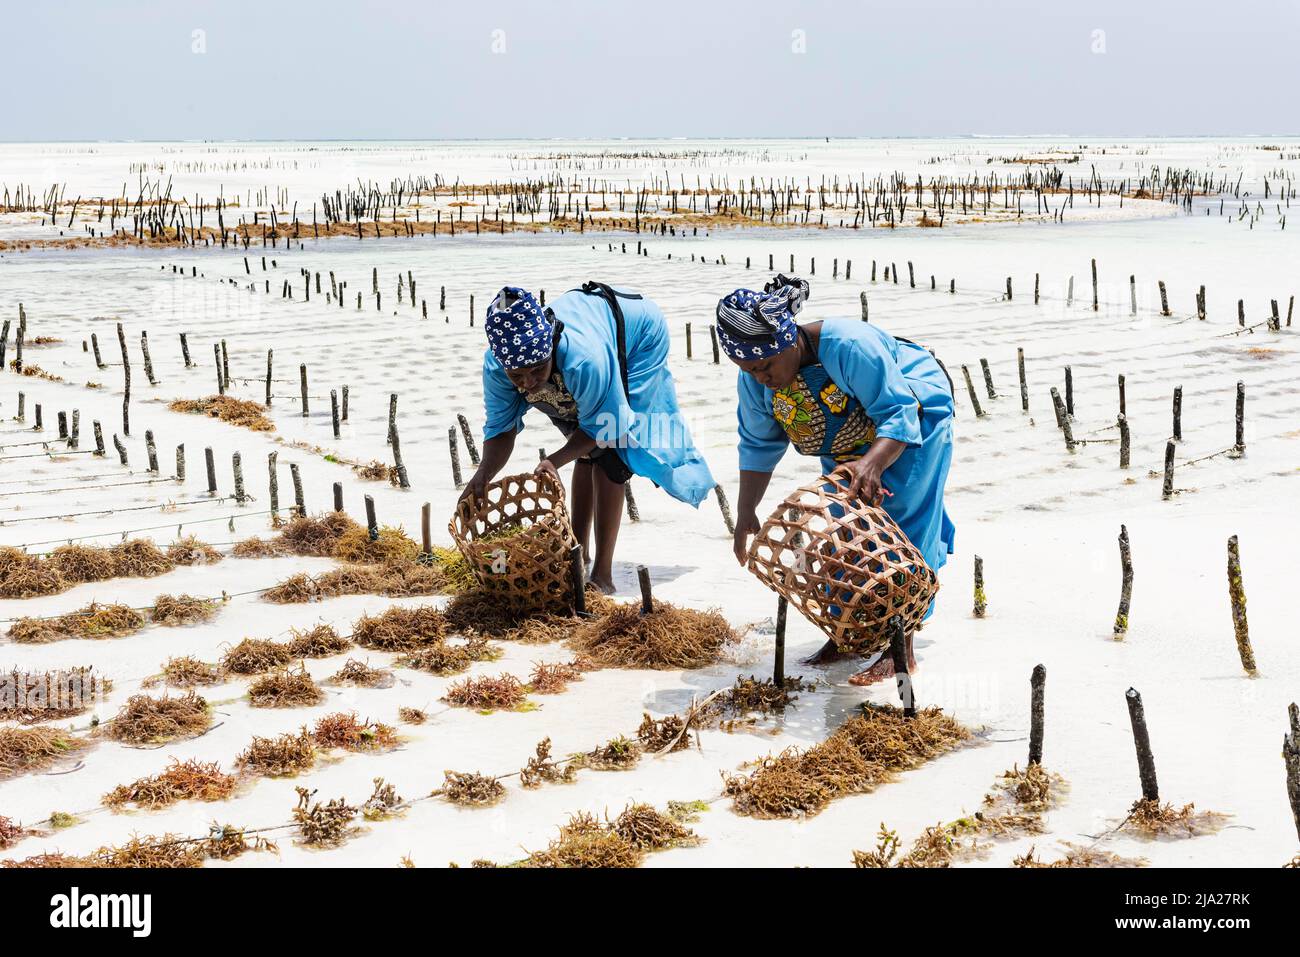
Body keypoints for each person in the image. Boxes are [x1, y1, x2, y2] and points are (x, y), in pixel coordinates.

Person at [720, 275, 956, 685]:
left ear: (789, 341)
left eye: (765, 366)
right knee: (847, 528)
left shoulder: (847, 347)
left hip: (913, 417)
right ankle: (850, 634)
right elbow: (757, 445)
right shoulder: (756, 380)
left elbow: (899, 413)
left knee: (900, 521)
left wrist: (872, 463)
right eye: (749, 370)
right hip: (843, 429)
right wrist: (745, 512)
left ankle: (902, 649)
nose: (761, 378)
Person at [463, 283, 715, 593]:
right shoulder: (498, 368)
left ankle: (603, 576)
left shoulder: (584, 361)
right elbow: (501, 428)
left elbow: (606, 427)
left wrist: (554, 460)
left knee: (615, 454)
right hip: (588, 329)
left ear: (550, 349)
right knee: (585, 452)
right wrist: (484, 474)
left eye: (537, 370)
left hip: (638, 335)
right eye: (517, 376)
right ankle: (578, 557)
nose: (527, 383)